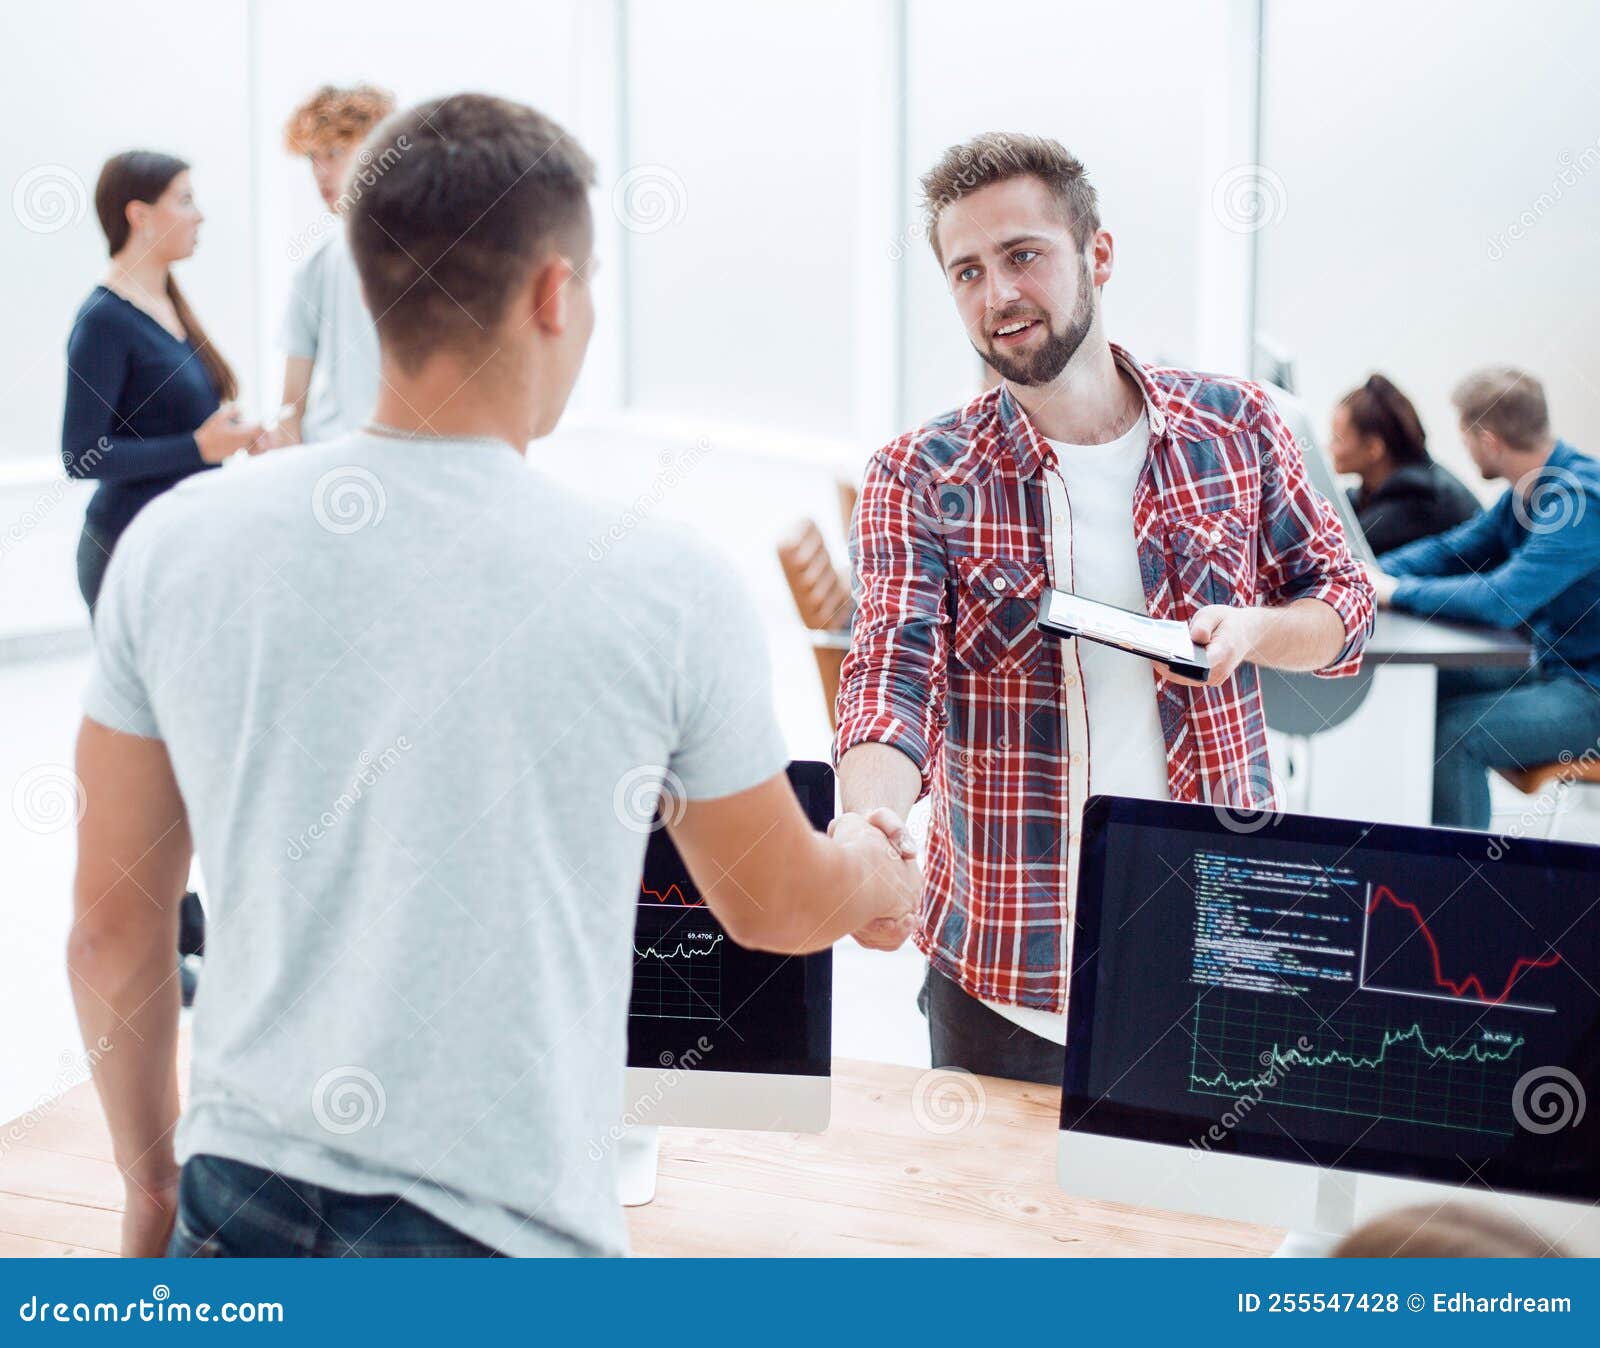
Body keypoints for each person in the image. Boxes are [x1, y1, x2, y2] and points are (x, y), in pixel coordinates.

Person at [66, 93, 918, 1260]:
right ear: (554, 294)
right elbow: (773, 902)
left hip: (239, 1211)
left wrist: (152, 1190)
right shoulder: (660, 583)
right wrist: (876, 869)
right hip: (508, 1247)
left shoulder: (176, 549)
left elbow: (113, 929)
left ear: (367, 289)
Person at [834, 132, 1374, 1084]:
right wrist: (870, 823)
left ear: (1098, 255)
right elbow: (889, 677)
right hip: (1003, 975)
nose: (998, 293)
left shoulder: (1237, 426)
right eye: (967, 270)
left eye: (1023, 255)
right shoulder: (919, 474)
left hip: (1221, 945)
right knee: (999, 1236)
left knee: (1205, 1232)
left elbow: (1344, 601)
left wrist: (1255, 632)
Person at [62, 151, 263, 1003]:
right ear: (139, 214)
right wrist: (198, 449)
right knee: (159, 745)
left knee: (192, 738)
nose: (199, 215)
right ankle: (171, 935)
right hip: (126, 556)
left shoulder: (164, 302)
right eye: (186, 200)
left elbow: (187, 425)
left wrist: (232, 439)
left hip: (181, 557)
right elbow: (83, 453)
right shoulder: (103, 318)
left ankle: (189, 925)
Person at [1366, 367, 1600, 830]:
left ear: (1488, 440)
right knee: (1419, 688)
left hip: (1589, 691)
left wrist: (1395, 593)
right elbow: (1453, 550)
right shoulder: (1530, 490)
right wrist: (1368, 572)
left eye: (1466, 437)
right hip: (1552, 666)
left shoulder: (1580, 503)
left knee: (1457, 736)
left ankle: (1458, 892)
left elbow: (1501, 600)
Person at [266, 84, 393, 446]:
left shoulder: (431, 254)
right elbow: (291, 403)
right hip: (331, 460)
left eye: (336, 153)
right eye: (312, 157)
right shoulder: (316, 265)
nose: (320, 171)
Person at [1330, 373, 1480, 553]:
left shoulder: (1419, 497)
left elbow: (1341, 549)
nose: (1329, 448)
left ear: (1373, 448)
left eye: (1337, 439)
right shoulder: (1401, 482)